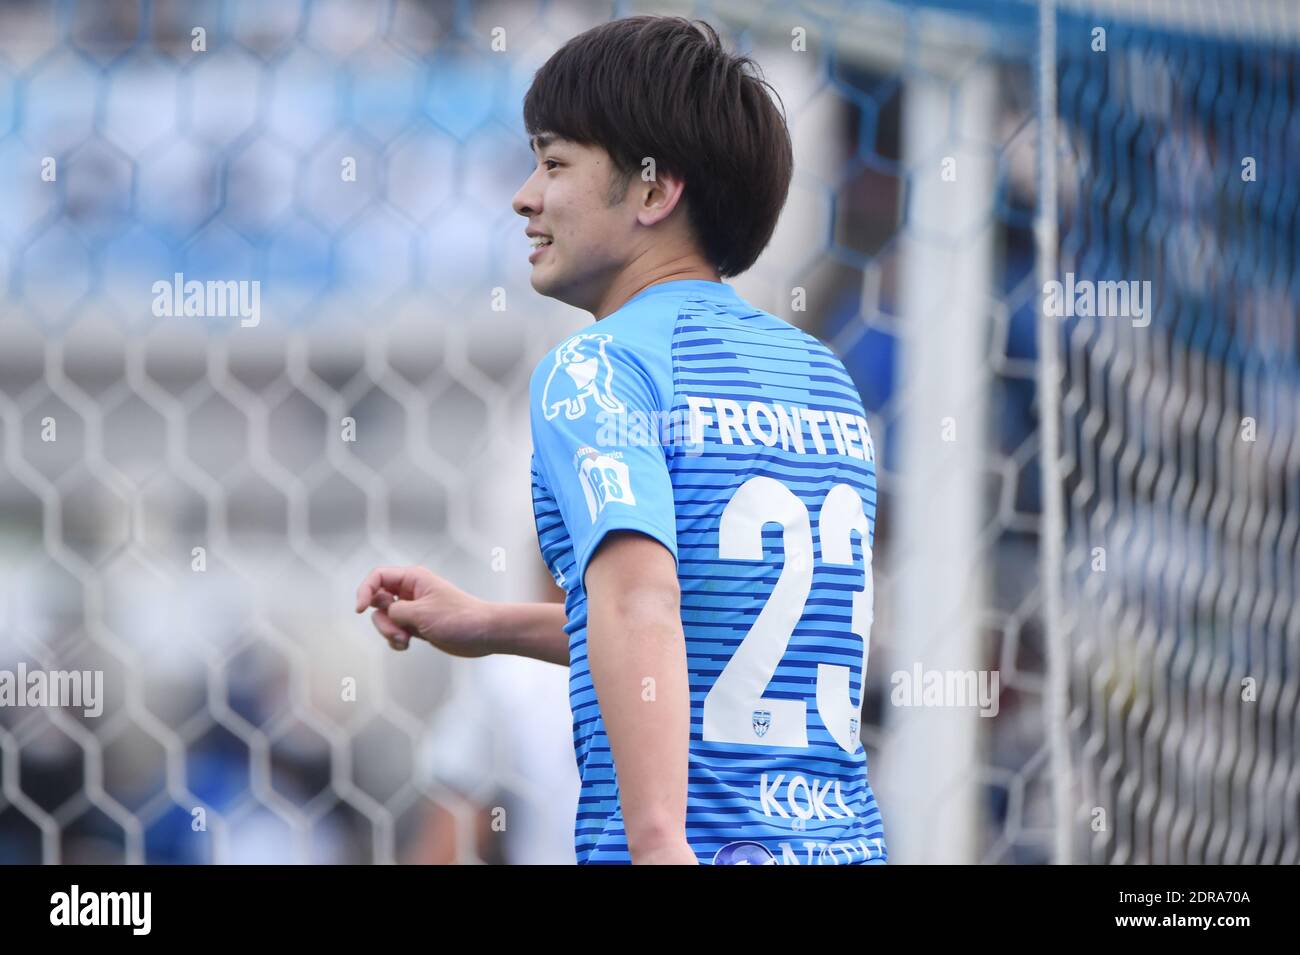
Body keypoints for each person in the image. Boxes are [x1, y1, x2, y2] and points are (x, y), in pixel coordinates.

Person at [357, 15, 887, 865]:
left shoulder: (599, 368)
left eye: (554, 163)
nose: (525, 196)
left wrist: (657, 839)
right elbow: (717, 630)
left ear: (652, 191)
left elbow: (643, 607)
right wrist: (488, 622)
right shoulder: (822, 376)